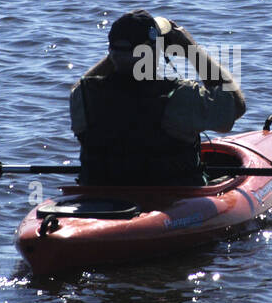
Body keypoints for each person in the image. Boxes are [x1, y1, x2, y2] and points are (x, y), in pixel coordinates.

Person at [70, 10, 246, 185]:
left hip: (99, 194)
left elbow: (81, 86)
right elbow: (236, 106)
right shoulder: (178, 96)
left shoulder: (84, 96)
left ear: (110, 51)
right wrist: (192, 51)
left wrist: (118, 55)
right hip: (169, 196)